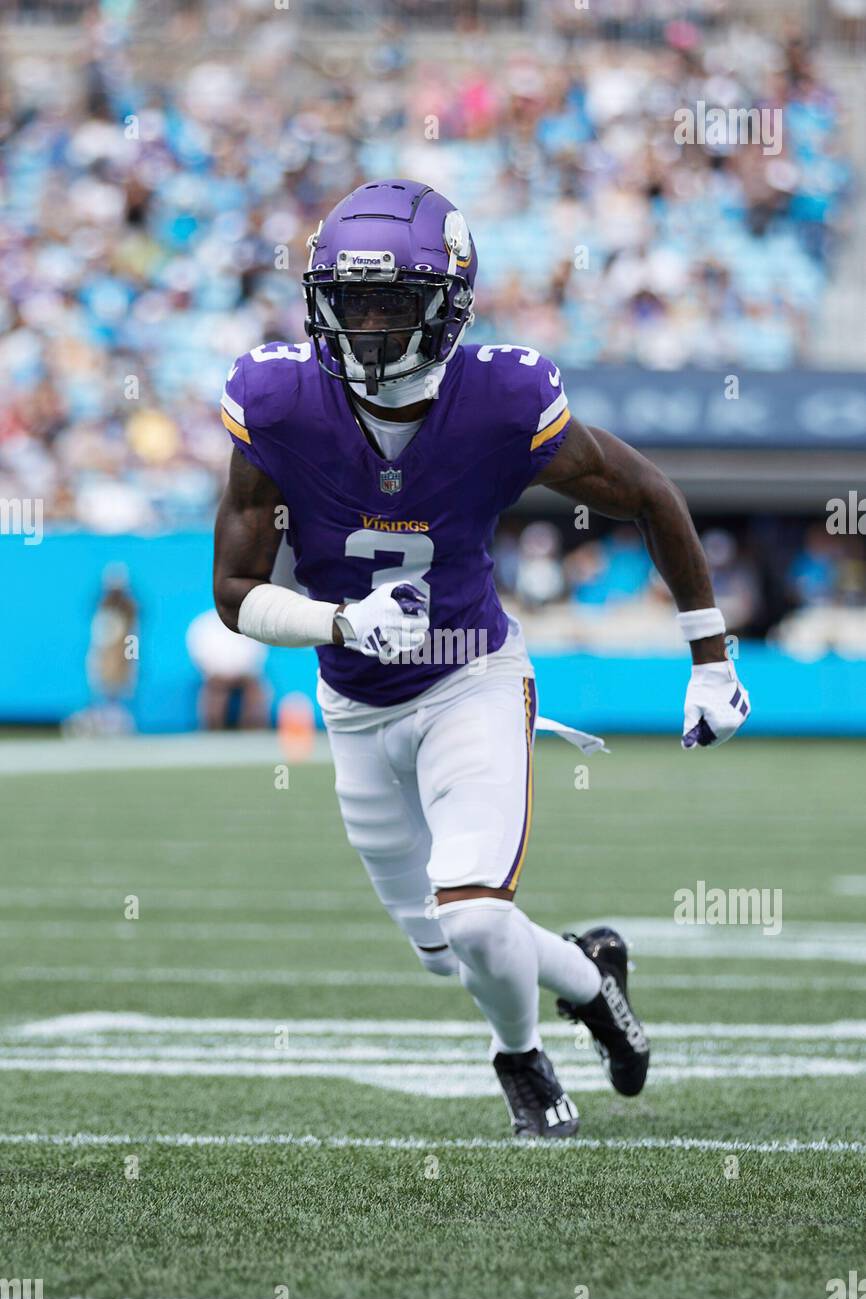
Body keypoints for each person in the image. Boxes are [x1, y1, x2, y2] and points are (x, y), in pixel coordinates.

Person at [213, 180, 750, 1138]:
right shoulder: (278, 399)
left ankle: (522, 1061)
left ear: (451, 304)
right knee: (445, 949)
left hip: (472, 676)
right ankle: (593, 978)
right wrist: (340, 624)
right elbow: (234, 593)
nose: (366, 326)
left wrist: (710, 659)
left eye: (391, 302)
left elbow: (651, 493)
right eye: (350, 298)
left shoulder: (504, 400)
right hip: (354, 704)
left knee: (471, 916)